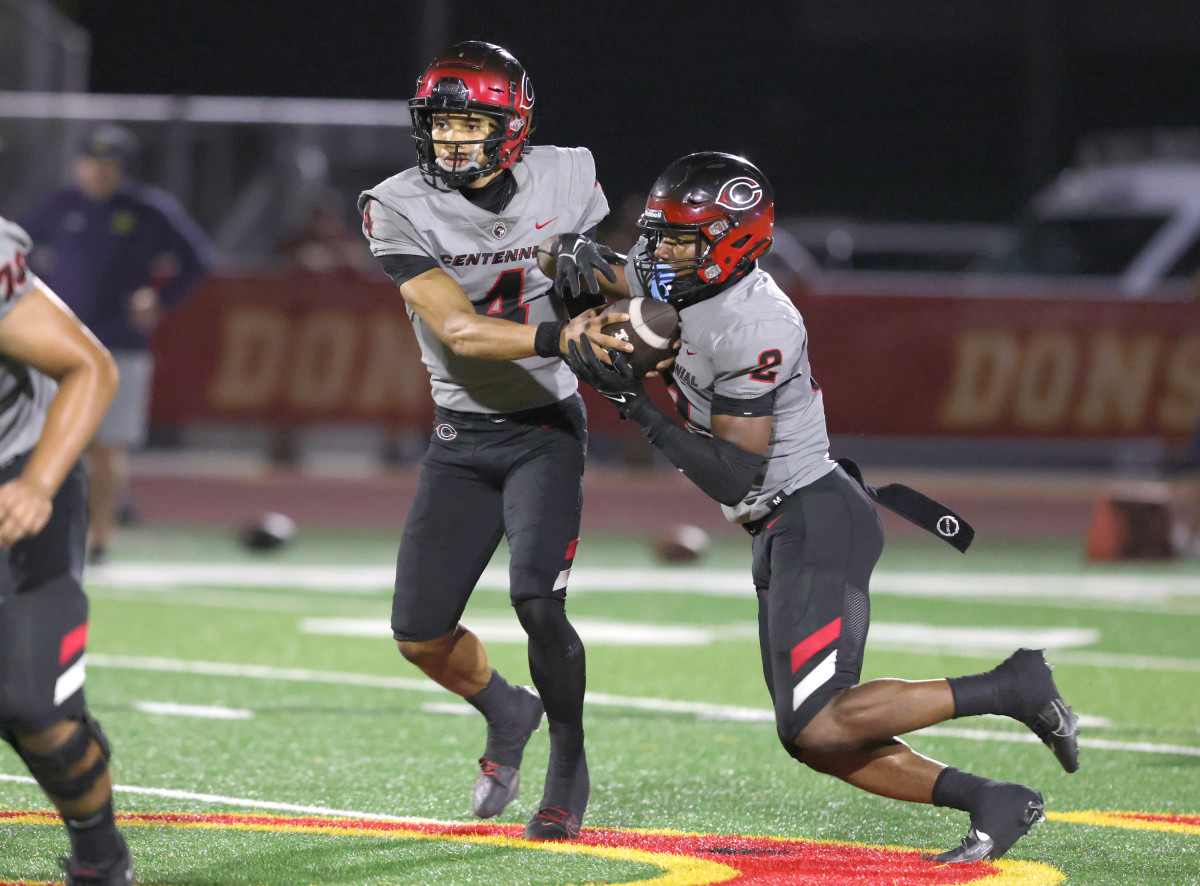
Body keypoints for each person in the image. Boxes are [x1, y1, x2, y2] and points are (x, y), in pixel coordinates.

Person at [562, 152, 1081, 863]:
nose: (659, 255)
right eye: (659, 236)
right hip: (780, 524)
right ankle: (991, 799)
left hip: (811, 514)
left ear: (733, 240)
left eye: (680, 241)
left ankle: (1011, 685)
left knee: (823, 718)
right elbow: (614, 272)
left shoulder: (756, 325)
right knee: (812, 738)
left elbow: (732, 471)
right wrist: (572, 258)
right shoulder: (684, 275)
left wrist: (634, 406)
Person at [357, 40, 635, 841]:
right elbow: (456, 330)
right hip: (460, 435)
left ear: (512, 125)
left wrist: (616, 288)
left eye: (469, 121)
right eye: (439, 123)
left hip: (545, 429)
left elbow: (608, 278)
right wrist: (565, 337)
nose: (450, 139)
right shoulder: (396, 203)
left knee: (536, 601)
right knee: (418, 634)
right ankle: (508, 710)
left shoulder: (567, 174)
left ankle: (569, 761)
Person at [0, 217, 129, 883]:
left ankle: (100, 858)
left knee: (29, 707)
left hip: (17, 475)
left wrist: (37, 483)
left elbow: (90, 365)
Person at [20, 123, 212, 565]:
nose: (97, 172)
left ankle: (99, 539)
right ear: (78, 165)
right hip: (58, 344)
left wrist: (160, 300)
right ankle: (44, 535)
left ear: (122, 168)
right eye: (90, 162)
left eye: (108, 164)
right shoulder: (60, 207)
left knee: (108, 445)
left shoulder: (147, 210)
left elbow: (198, 259)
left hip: (119, 345)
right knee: (46, 442)